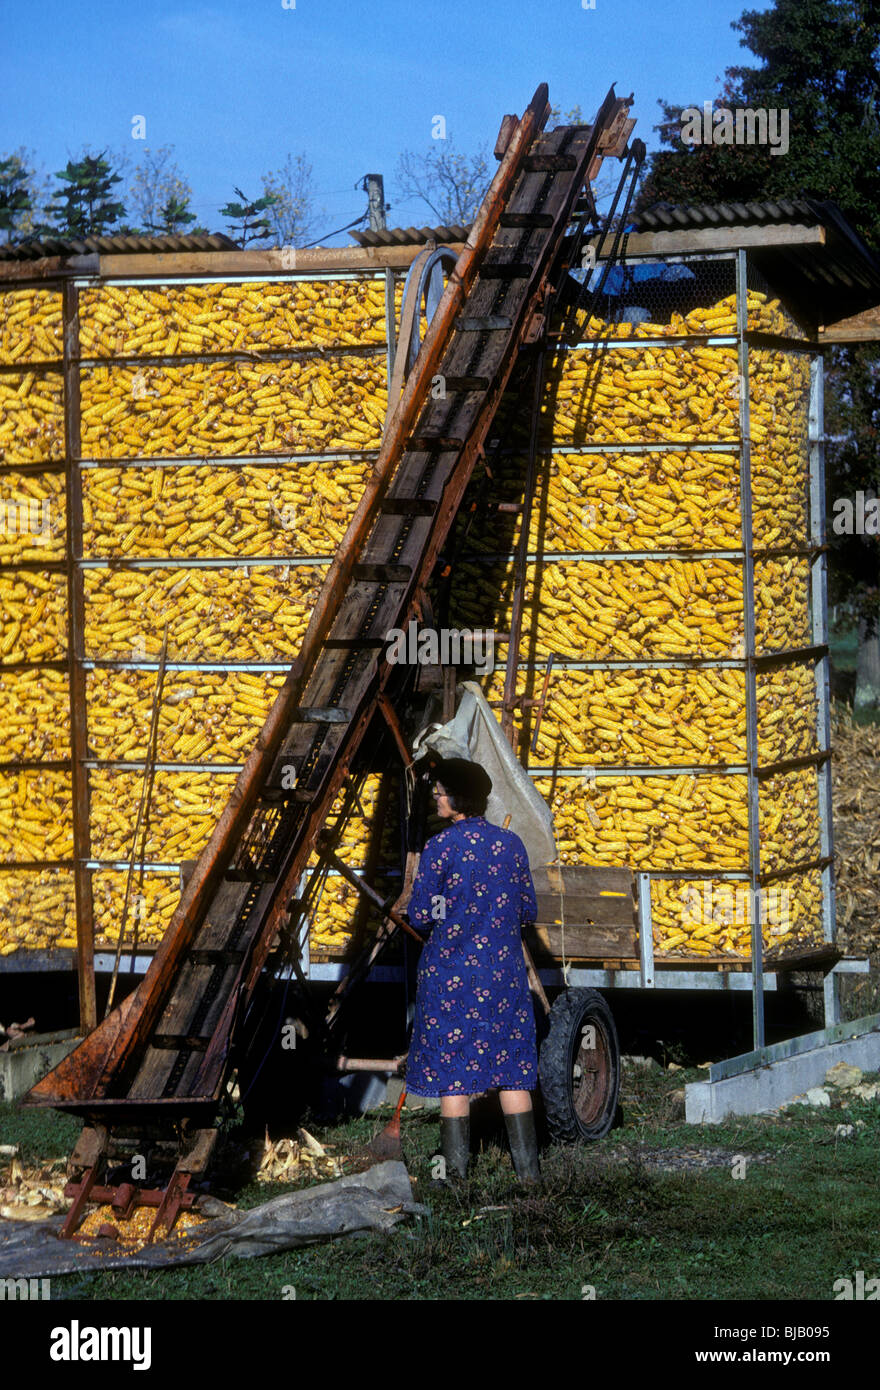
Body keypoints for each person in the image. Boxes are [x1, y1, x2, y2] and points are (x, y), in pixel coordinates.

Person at [405, 757, 540, 1182]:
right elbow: (527, 911)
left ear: (458, 800)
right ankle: (530, 1178)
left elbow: (422, 915)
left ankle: (458, 1181)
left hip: (451, 978)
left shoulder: (439, 849)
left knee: (453, 1075)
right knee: (513, 1070)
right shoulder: (511, 845)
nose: (435, 796)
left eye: (440, 791)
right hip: (502, 976)